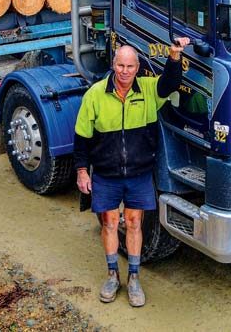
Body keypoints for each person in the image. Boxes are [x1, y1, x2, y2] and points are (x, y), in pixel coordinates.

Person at [74, 37, 190, 307]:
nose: (124, 71)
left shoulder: (148, 90)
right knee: (110, 223)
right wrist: (82, 171)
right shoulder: (95, 95)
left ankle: (134, 278)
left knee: (135, 223)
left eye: (130, 66)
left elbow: (170, 83)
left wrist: (174, 55)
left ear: (138, 68)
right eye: (120, 65)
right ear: (113, 65)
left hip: (138, 173)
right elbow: (81, 137)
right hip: (106, 173)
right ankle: (112, 275)